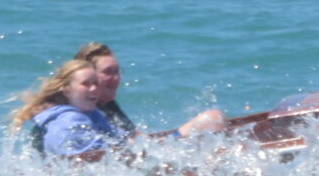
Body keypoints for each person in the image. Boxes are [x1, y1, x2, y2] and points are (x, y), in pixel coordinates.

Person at [75, 41, 226, 138]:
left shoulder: (107, 104)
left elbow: (135, 136)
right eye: (108, 72)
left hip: (145, 156)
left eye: (117, 71)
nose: (116, 78)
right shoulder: (88, 111)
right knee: (212, 118)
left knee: (213, 119)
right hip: (139, 162)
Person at [11, 59, 131, 158]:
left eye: (96, 83)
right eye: (85, 84)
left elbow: (120, 138)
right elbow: (93, 159)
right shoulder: (69, 120)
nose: (94, 88)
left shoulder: (91, 115)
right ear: (67, 90)